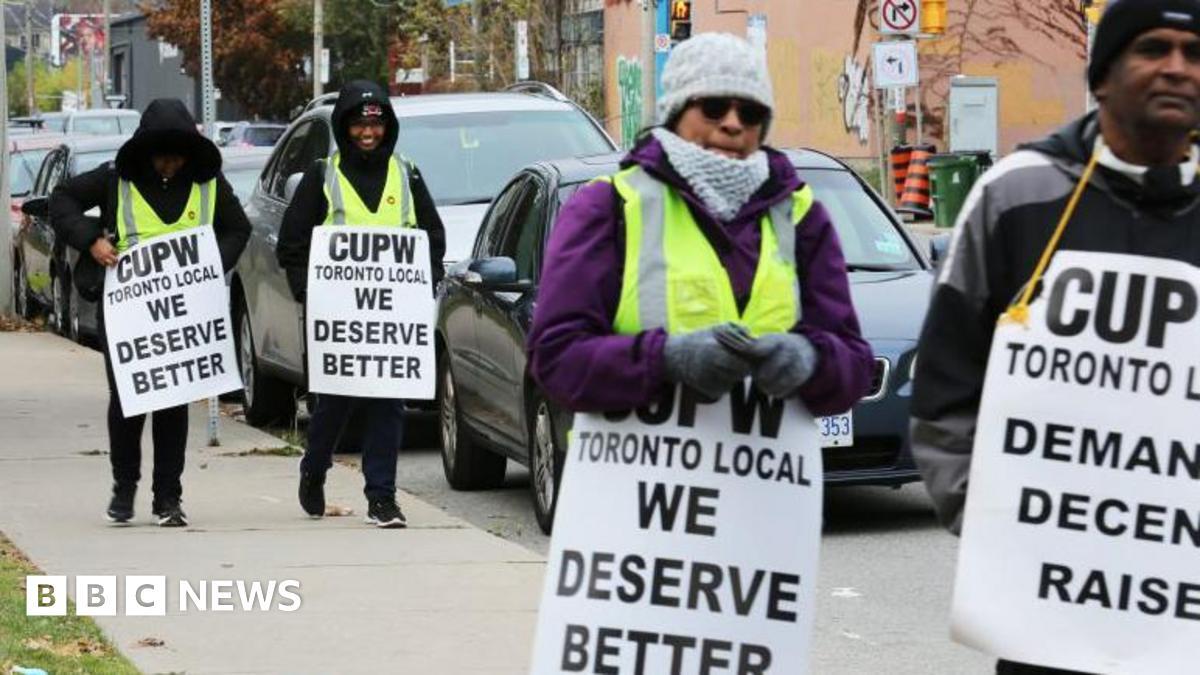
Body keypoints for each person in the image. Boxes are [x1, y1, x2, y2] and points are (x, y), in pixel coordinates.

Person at [911, 1, 1200, 673]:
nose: (1177, 69)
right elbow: (945, 386)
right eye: (1153, 48)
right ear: (1102, 77)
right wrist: (994, 524)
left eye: (1194, 53)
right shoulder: (1015, 197)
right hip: (1050, 609)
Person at [528, 32, 873, 422]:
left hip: (763, 479)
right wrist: (666, 359)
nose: (732, 124)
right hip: (636, 479)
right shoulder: (608, 207)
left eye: (751, 113)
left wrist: (810, 361)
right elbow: (556, 360)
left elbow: (855, 367)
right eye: (712, 107)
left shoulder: (802, 216)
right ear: (675, 113)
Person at [50, 98, 251, 527]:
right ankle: (124, 489)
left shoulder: (208, 183)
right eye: (161, 156)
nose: (168, 165)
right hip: (128, 312)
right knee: (127, 401)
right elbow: (62, 200)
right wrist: (91, 240)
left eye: (177, 157)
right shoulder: (114, 179)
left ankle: (168, 498)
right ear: (144, 151)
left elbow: (238, 229)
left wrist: (210, 265)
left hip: (184, 312)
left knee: (173, 404)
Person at [275, 80, 446, 529]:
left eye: (375, 125)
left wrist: (421, 285)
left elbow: (432, 236)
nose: (367, 134)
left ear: (387, 127)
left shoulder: (406, 174)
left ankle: (382, 498)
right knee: (333, 404)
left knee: (388, 406)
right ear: (344, 127)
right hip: (337, 320)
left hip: (389, 321)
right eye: (358, 125)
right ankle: (314, 470)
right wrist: (308, 292)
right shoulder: (322, 175)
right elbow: (292, 242)